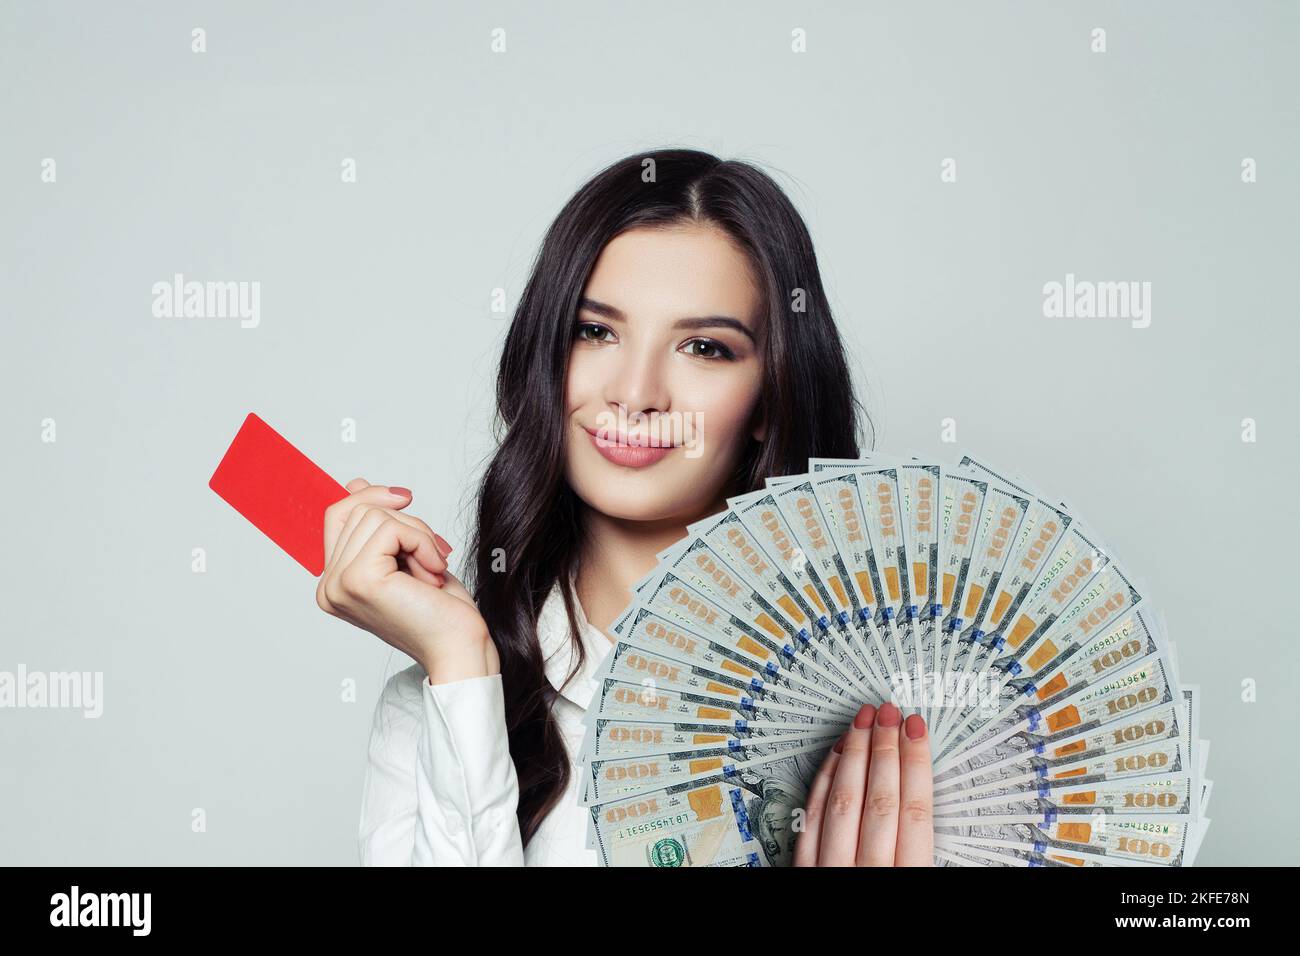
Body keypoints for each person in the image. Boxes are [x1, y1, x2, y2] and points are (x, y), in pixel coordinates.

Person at [314, 147, 934, 865]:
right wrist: (460, 663)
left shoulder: (893, 728)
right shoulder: (436, 704)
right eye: (596, 331)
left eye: (704, 347)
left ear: (771, 397)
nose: (636, 393)